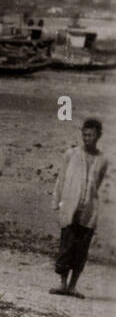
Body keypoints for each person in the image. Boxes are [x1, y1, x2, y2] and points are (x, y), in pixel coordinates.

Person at [51, 117, 108, 298]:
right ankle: (62, 284)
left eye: (91, 135)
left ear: (98, 136)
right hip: (70, 206)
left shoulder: (102, 160)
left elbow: (97, 184)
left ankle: (73, 286)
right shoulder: (71, 154)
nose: (87, 138)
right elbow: (61, 179)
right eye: (84, 135)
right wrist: (57, 202)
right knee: (66, 246)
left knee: (81, 249)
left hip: (89, 211)